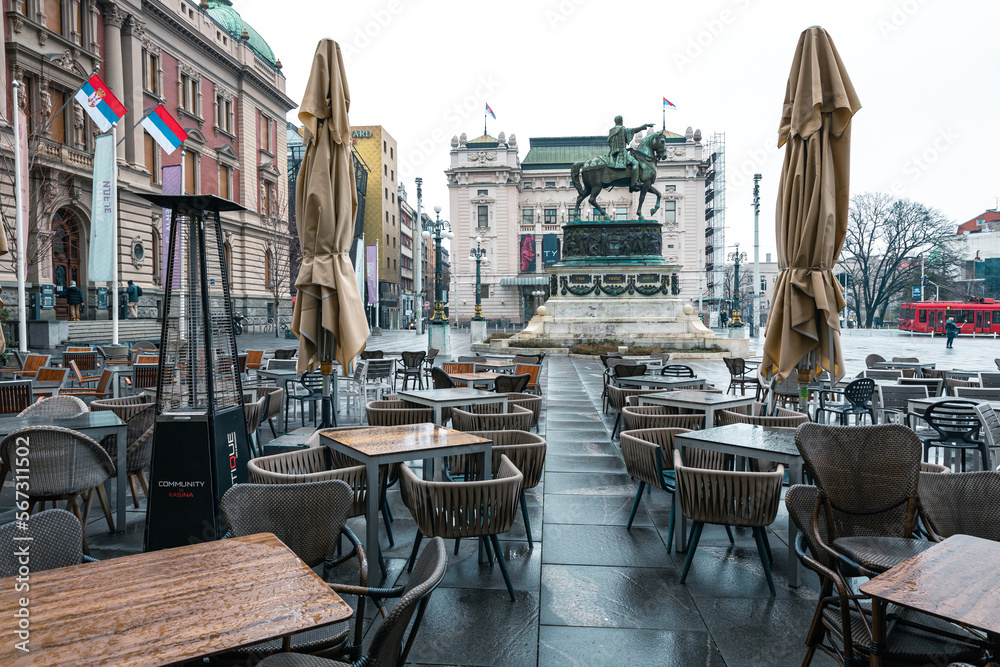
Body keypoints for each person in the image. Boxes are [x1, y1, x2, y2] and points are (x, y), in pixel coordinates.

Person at [607, 116, 654, 191]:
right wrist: (645, 126)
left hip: (612, 153)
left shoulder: (611, 131)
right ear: (621, 121)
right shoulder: (622, 130)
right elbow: (635, 130)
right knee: (635, 163)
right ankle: (634, 183)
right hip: (621, 154)